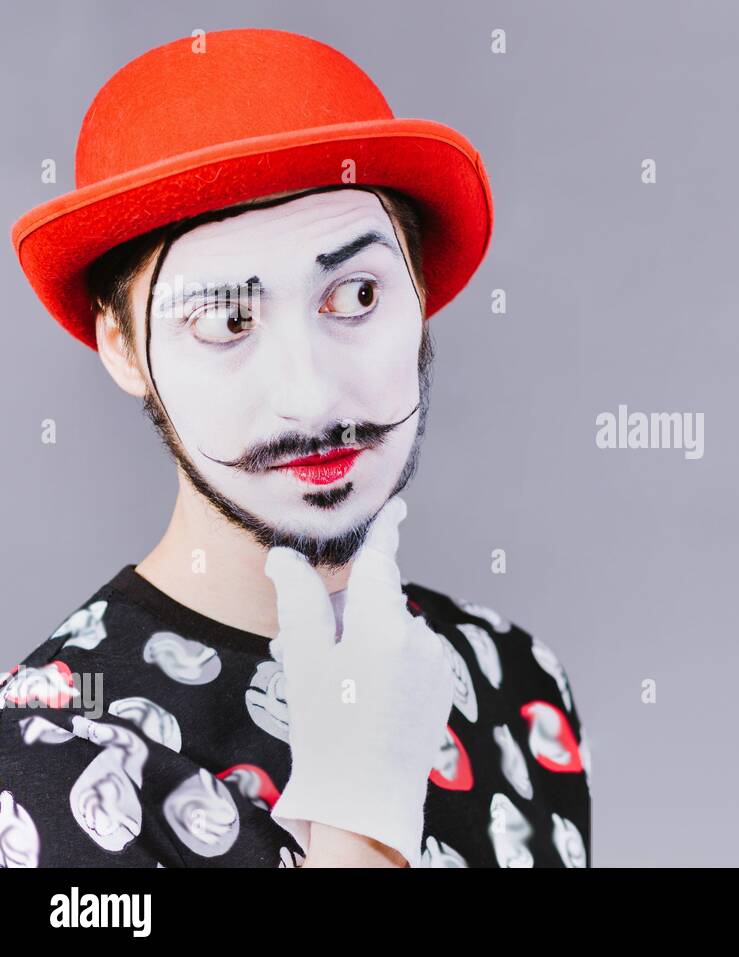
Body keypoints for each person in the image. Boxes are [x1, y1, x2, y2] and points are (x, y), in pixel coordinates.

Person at [0, 28, 590, 868]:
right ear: (123, 348)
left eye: (355, 293)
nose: (311, 395)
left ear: (418, 297)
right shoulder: (45, 758)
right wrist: (361, 818)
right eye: (226, 320)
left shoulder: (516, 680)